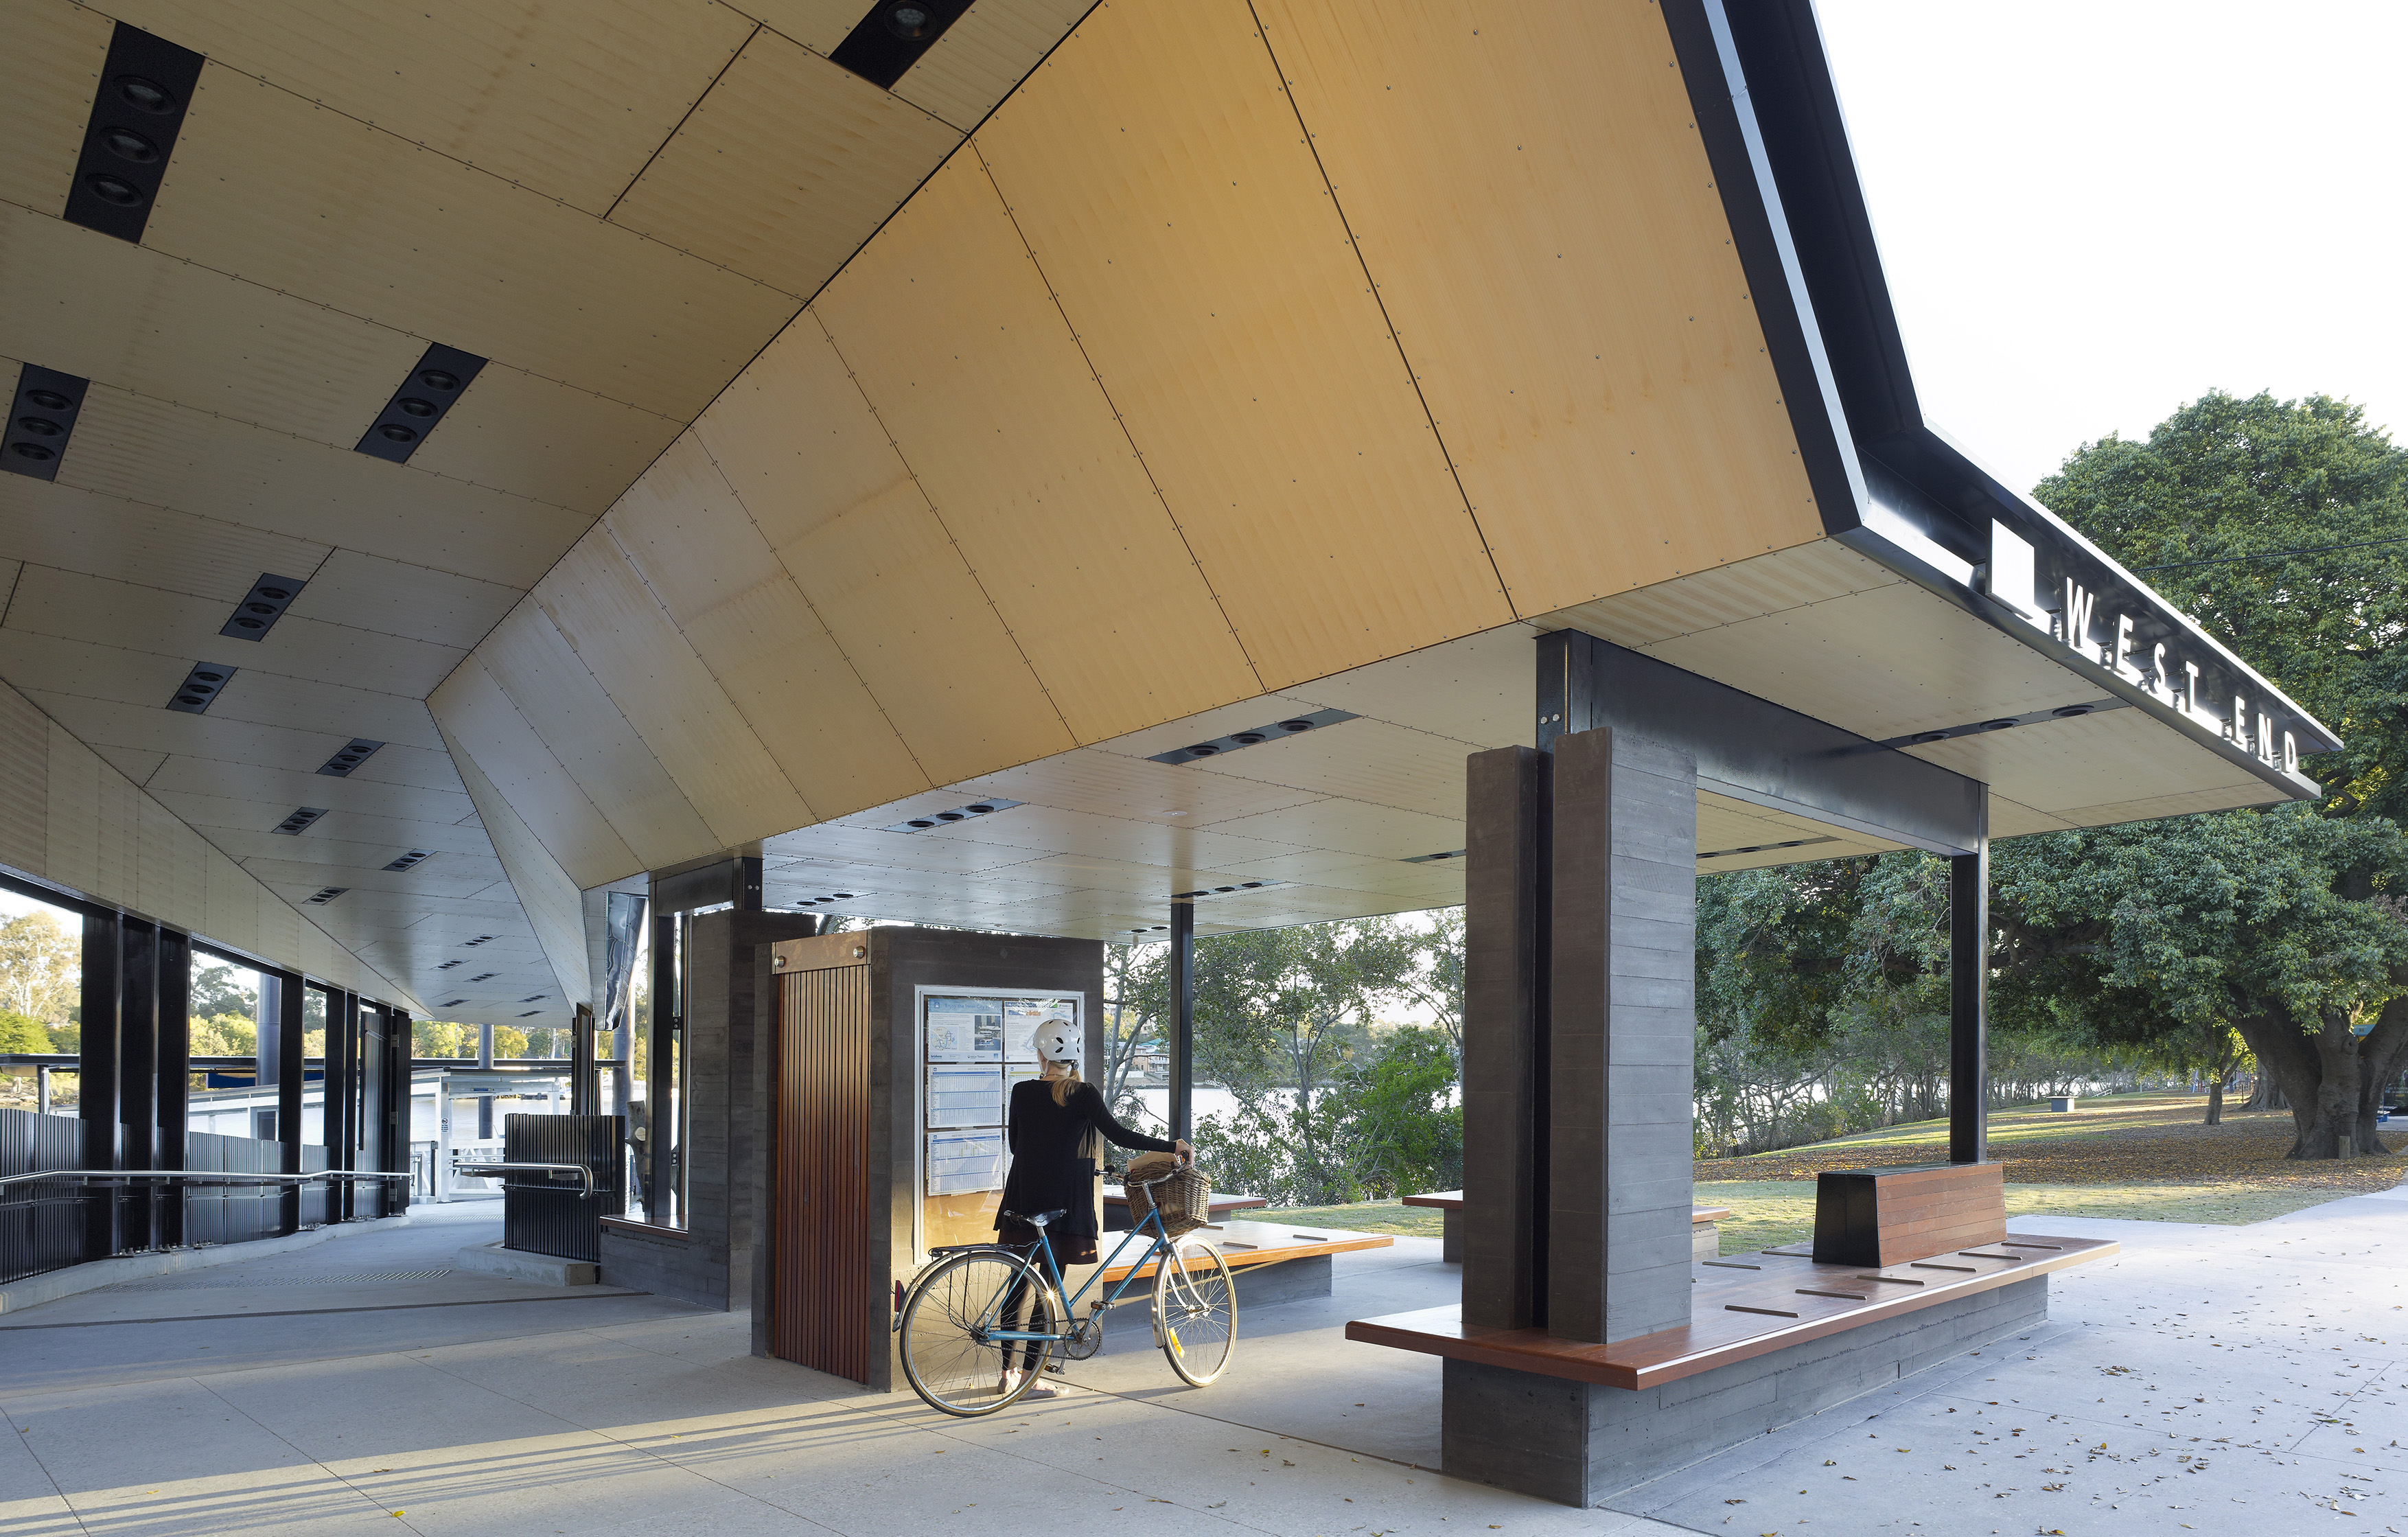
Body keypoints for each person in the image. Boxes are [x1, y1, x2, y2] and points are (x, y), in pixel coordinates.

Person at [993, 1019, 1190, 1400]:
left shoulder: (1021, 1091)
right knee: (1048, 1288)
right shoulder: (1082, 1093)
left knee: (1018, 1284)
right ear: (1073, 1057)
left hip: (1022, 1196)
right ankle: (1032, 1378)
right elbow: (1118, 1134)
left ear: (1042, 1055)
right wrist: (1172, 1146)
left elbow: (1017, 1144)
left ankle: (1007, 1373)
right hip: (1063, 1200)